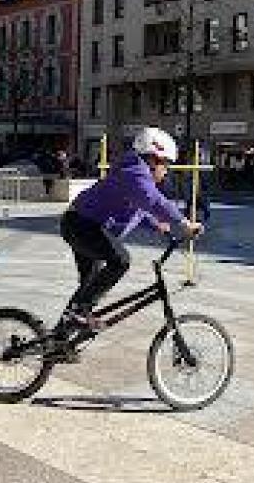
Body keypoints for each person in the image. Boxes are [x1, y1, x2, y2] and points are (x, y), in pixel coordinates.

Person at [56, 127, 203, 341]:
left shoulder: (136, 176)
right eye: (165, 164)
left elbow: (139, 210)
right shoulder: (135, 171)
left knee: (90, 286)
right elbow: (153, 200)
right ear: (153, 159)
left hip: (82, 224)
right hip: (82, 224)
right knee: (120, 261)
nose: (166, 171)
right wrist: (183, 222)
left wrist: (157, 226)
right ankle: (77, 314)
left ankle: (60, 339)